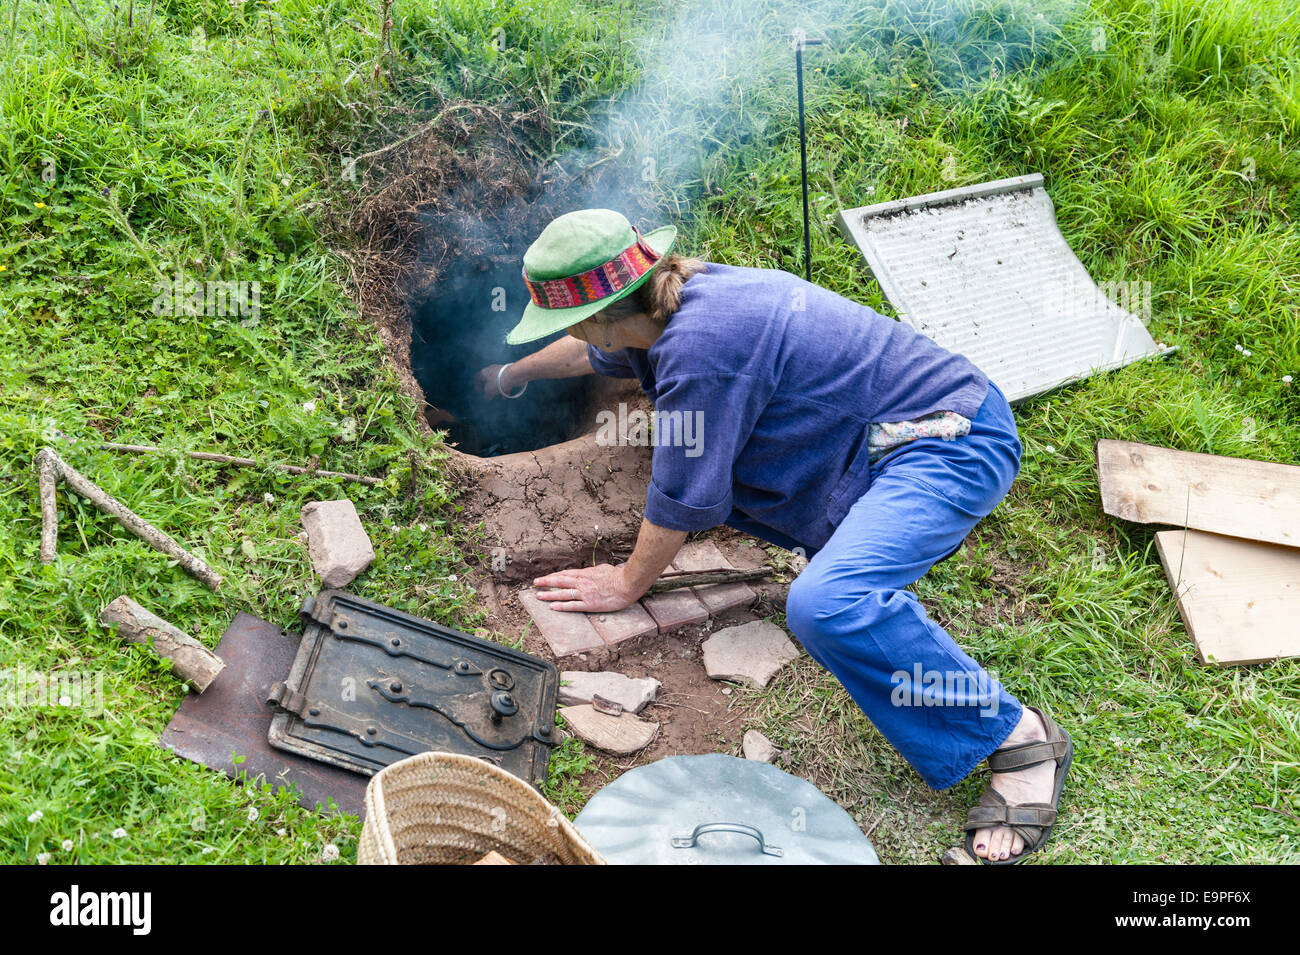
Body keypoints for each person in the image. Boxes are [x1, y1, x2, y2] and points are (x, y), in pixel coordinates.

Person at [477, 208, 1073, 864]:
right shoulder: (663, 304)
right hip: (877, 440)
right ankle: (866, 577)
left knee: (826, 604)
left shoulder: (700, 351)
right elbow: (592, 352)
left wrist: (626, 581)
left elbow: (679, 502)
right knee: (805, 557)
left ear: (601, 312)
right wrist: (516, 374)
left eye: (566, 319)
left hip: (946, 439)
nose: (574, 334)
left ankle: (1018, 736)